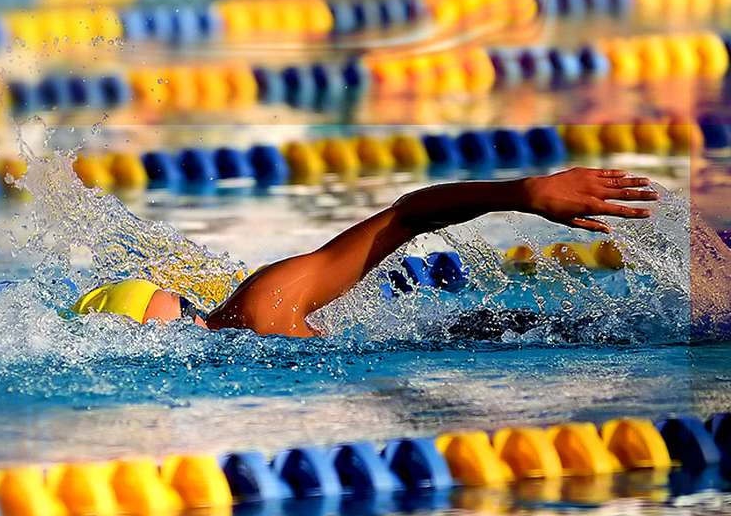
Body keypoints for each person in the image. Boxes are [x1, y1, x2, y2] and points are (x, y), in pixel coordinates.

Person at [72, 167, 658, 337]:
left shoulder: (262, 306)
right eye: (175, 326)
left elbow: (407, 215)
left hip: (483, 336)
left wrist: (522, 194)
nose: (196, 324)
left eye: (181, 310)